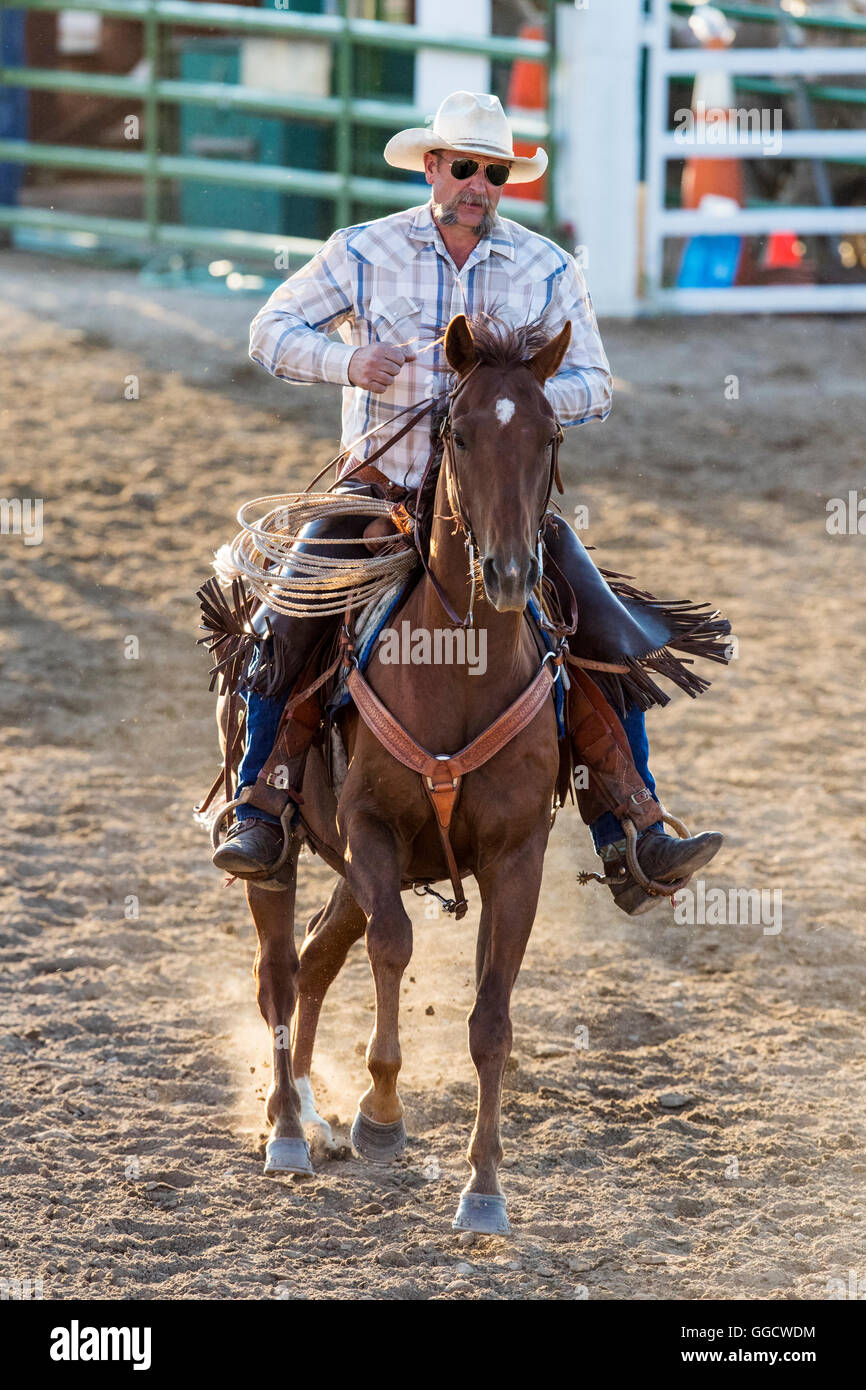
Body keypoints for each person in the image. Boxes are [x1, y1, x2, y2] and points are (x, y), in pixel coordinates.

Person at [208, 91, 726, 914]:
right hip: (377, 495)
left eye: (495, 171)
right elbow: (270, 330)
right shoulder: (364, 251)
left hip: (498, 501)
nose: (478, 183)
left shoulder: (548, 268)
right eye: (464, 167)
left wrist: (519, 388)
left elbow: (596, 383)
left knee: (607, 636)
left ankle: (635, 826)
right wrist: (349, 364)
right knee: (281, 625)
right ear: (431, 167)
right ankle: (260, 807)